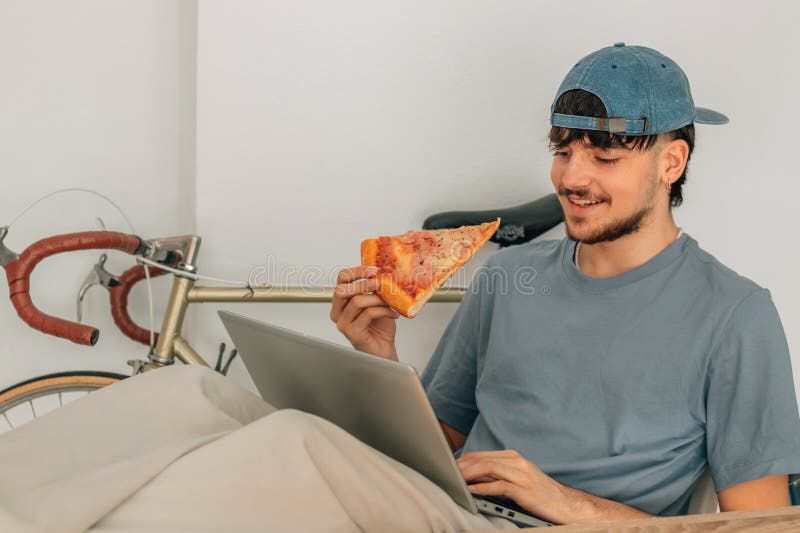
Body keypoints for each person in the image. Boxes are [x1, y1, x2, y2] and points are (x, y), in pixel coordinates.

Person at [330, 42, 800, 523]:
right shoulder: (507, 277)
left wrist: (566, 502)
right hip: (445, 513)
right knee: (278, 428)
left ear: (671, 163)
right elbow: (429, 453)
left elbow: (761, 526)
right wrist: (380, 360)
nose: (571, 177)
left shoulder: (734, 314)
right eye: (563, 151)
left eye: (604, 157)